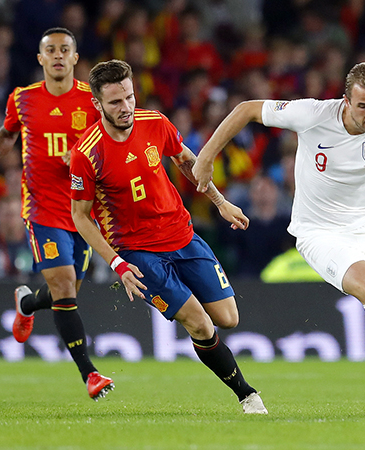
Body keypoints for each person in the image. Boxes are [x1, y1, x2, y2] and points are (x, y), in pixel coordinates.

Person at [193, 61, 365, 416]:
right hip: (317, 230)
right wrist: (205, 158)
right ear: (345, 101)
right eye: (363, 106)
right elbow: (246, 109)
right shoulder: (312, 114)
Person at [69, 60, 267, 414]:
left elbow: (188, 161)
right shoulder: (87, 153)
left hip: (182, 235)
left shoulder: (154, 122)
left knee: (228, 318)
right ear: (97, 104)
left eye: (129, 97)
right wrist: (117, 264)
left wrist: (220, 203)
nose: (126, 107)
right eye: (115, 102)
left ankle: (217, 360)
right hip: (137, 251)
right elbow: (80, 217)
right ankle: (247, 395)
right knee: (199, 322)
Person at [0, 28, 112, 400]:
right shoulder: (22, 100)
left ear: (76, 58)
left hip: (84, 210)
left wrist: (83, 160)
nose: (58, 56)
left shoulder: (93, 101)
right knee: (63, 285)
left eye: (65, 50)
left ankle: (26, 304)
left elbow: (110, 141)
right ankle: (90, 374)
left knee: (69, 287)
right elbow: (7, 135)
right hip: (42, 209)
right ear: (41, 59)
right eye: (50, 50)